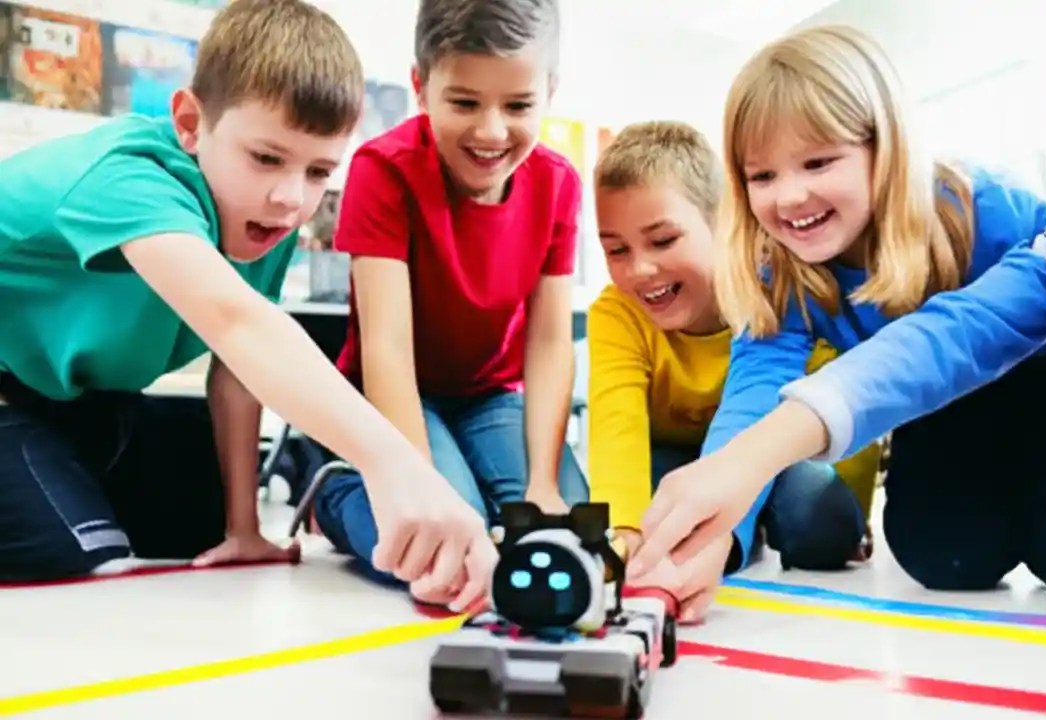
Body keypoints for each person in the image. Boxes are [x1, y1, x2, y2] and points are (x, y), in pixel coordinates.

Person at [639, 0, 1046, 592]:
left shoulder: (981, 212)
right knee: (950, 555)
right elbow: (951, 337)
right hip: (947, 410)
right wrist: (724, 513)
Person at [0, 0, 495, 610]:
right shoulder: (127, 176)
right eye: (266, 158)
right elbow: (238, 322)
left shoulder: (259, 217)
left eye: (318, 172)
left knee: (195, 523)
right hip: (10, 392)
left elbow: (238, 365)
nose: (291, 197)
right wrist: (396, 461)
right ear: (188, 122)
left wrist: (243, 529)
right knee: (76, 555)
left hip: (80, 403)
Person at [306, 0, 589, 589]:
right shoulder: (382, 170)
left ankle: (487, 490)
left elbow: (549, 342)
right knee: (442, 545)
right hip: (400, 391)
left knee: (559, 530)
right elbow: (385, 348)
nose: (490, 131)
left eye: (517, 106)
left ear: (550, 91)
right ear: (420, 86)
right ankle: (333, 492)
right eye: (464, 102)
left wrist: (542, 484)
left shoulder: (558, 184)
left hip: (488, 395)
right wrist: (422, 495)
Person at [586, 121, 880, 621]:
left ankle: (757, 525)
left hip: (775, 461)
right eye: (617, 250)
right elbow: (617, 429)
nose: (639, 270)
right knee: (643, 516)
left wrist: (851, 506)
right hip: (676, 464)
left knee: (820, 516)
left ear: (723, 224)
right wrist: (628, 537)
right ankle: (743, 536)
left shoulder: (782, 294)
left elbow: (841, 408)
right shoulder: (616, 314)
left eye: (663, 240)